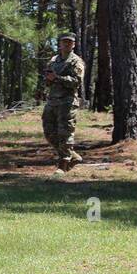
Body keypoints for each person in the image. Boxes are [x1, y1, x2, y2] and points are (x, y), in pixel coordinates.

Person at [42, 33, 85, 171]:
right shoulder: (54, 60)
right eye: (64, 42)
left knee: (65, 133)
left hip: (67, 102)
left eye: (69, 42)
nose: (66, 44)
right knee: (49, 133)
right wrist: (48, 80)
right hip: (52, 100)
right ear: (59, 44)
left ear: (74, 44)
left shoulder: (76, 61)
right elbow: (49, 79)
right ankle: (72, 156)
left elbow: (76, 82)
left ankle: (63, 165)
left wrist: (58, 78)